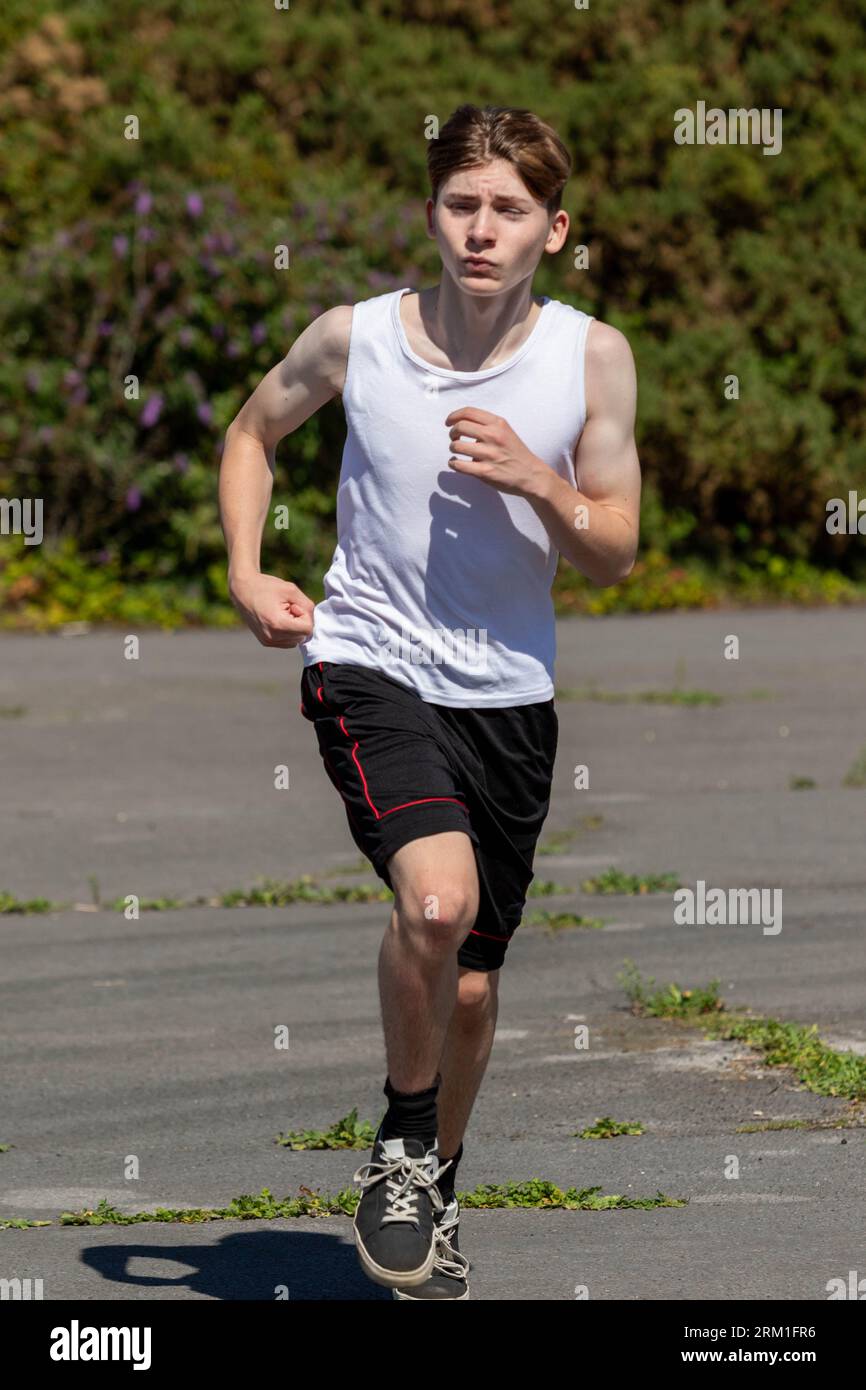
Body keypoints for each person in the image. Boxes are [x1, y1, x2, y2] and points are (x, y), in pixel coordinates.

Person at [219, 103, 641, 1300]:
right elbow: (252, 435)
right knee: (436, 897)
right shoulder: (357, 337)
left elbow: (613, 548)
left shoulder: (588, 357)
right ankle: (404, 1142)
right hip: (369, 663)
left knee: (466, 978)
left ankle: (433, 1188)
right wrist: (250, 570)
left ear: (550, 230)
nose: (480, 229)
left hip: (509, 696)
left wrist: (537, 479)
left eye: (508, 209)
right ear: (431, 213)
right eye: (461, 203)